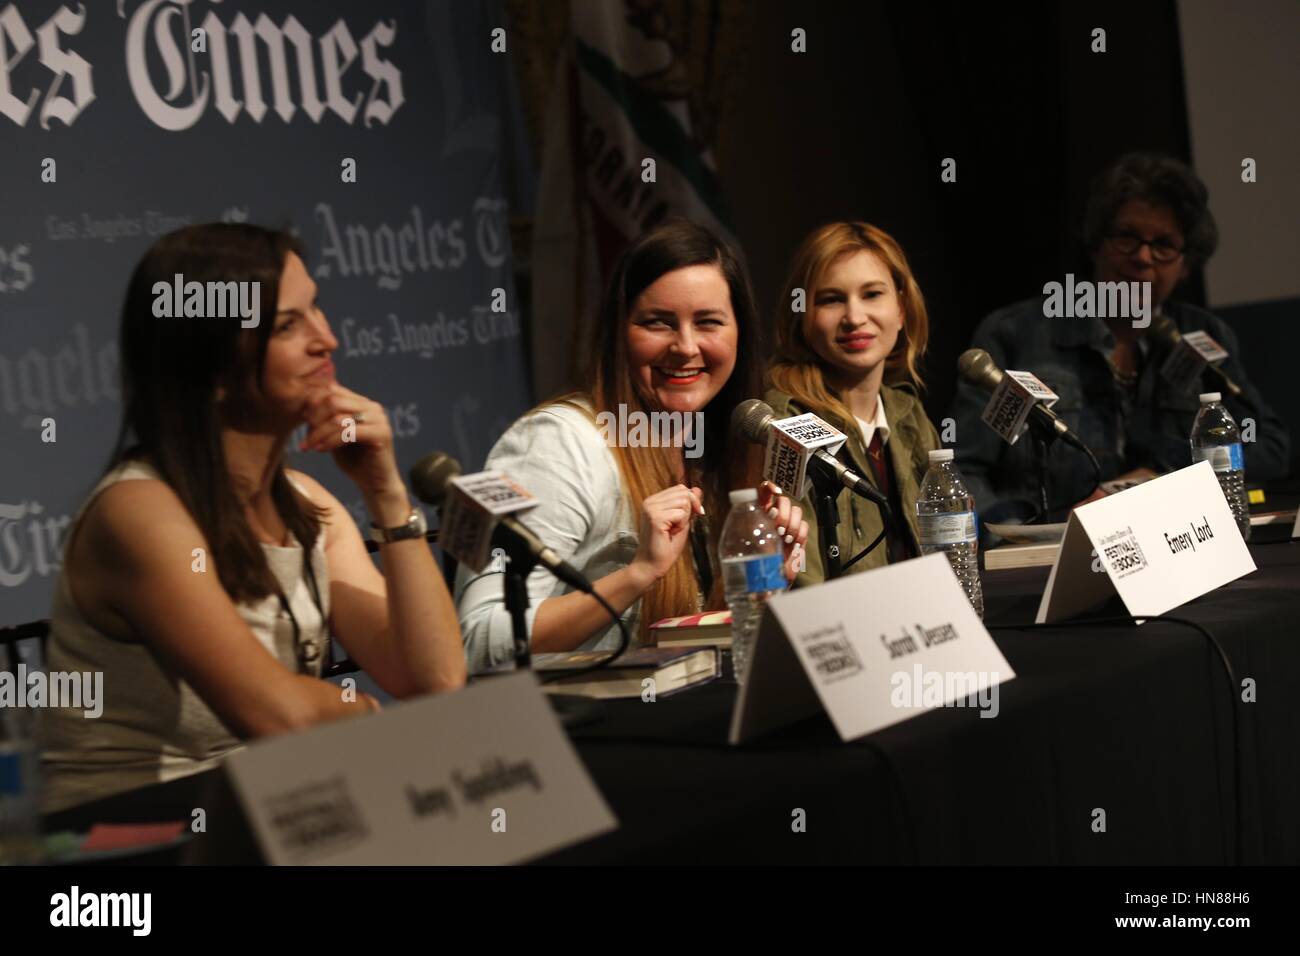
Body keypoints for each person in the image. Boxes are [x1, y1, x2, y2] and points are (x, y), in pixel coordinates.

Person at [40, 223, 466, 812]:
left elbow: (434, 680)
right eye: (289, 325)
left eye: (316, 309)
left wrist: (387, 494)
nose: (329, 340)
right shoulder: (139, 514)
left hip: (270, 810)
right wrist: (362, 710)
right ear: (213, 366)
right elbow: (278, 716)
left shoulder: (308, 503)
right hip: (132, 838)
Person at [456, 219, 808, 673]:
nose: (685, 347)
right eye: (657, 323)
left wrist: (761, 579)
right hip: (576, 729)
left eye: (708, 322)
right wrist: (638, 573)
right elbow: (478, 641)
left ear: (739, 332)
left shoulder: (723, 445)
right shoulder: (552, 444)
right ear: (619, 332)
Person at [950, 152, 1290, 522]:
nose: (1144, 257)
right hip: (1049, 552)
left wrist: (1166, 469)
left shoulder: (1202, 336)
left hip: (1177, 545)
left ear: (1186, 263)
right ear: (1096, 244)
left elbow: (1268, 446)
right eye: (1127, 238)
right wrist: (1013, 535)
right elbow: (966, 467)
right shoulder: (1015, 333)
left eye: (1164, 244)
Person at [765, 221, 941, 585]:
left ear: (902, 309)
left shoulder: (907, 412)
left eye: (872, 294)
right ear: (802, 316)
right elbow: (802, 582)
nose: (855, 318)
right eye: (831, 299)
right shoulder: (785, 421)